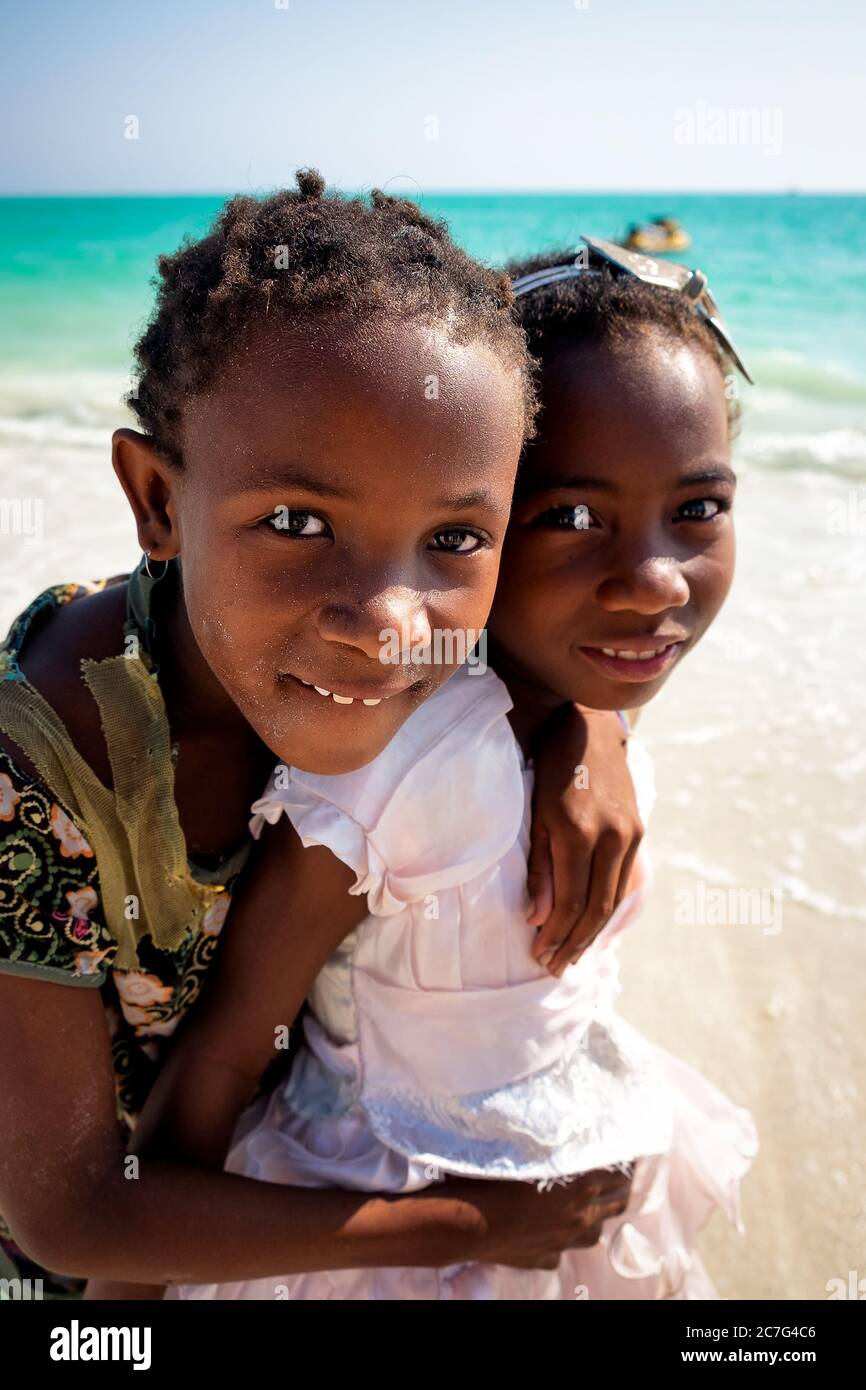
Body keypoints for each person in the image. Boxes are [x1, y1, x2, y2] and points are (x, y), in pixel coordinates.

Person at [0, 176, 644, 1299]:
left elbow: (558, 632)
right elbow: (73, 1214)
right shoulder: (42, 770)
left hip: (257, 1160)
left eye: (453, 534)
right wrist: (464, 1220)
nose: (387, 621)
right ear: (156, 499)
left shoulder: (404, 644)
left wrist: (589, 733)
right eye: (295, 523)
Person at [132, 242, 759, 1300]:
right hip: (384, 1231)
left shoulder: (583, 701)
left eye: (695, 508)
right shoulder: (399, 765)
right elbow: (222, 1061)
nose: (653, 581)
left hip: (566, 1171)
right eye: (567, 517)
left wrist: (589, 732)